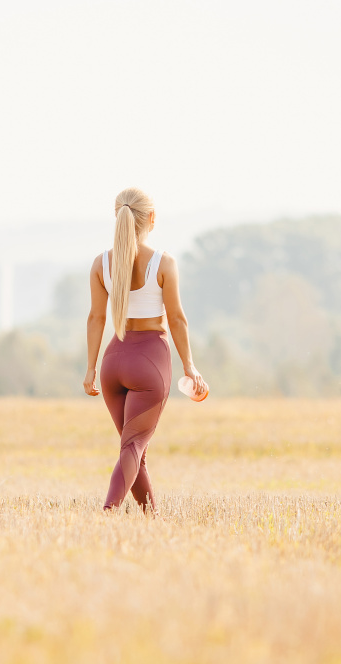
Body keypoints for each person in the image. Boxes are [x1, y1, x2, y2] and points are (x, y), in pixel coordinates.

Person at [83, 187, 209, 513]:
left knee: (134, 450)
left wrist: (90, 369)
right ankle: (107, 512)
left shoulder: (101, 264)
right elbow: (177, 320)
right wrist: (190, 367)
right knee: (134, 445)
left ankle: (151, 517)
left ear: (117, 216)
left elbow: (97, 318)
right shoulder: (164, 263)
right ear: (151, 219)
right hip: (150, 361)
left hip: (113, 361)